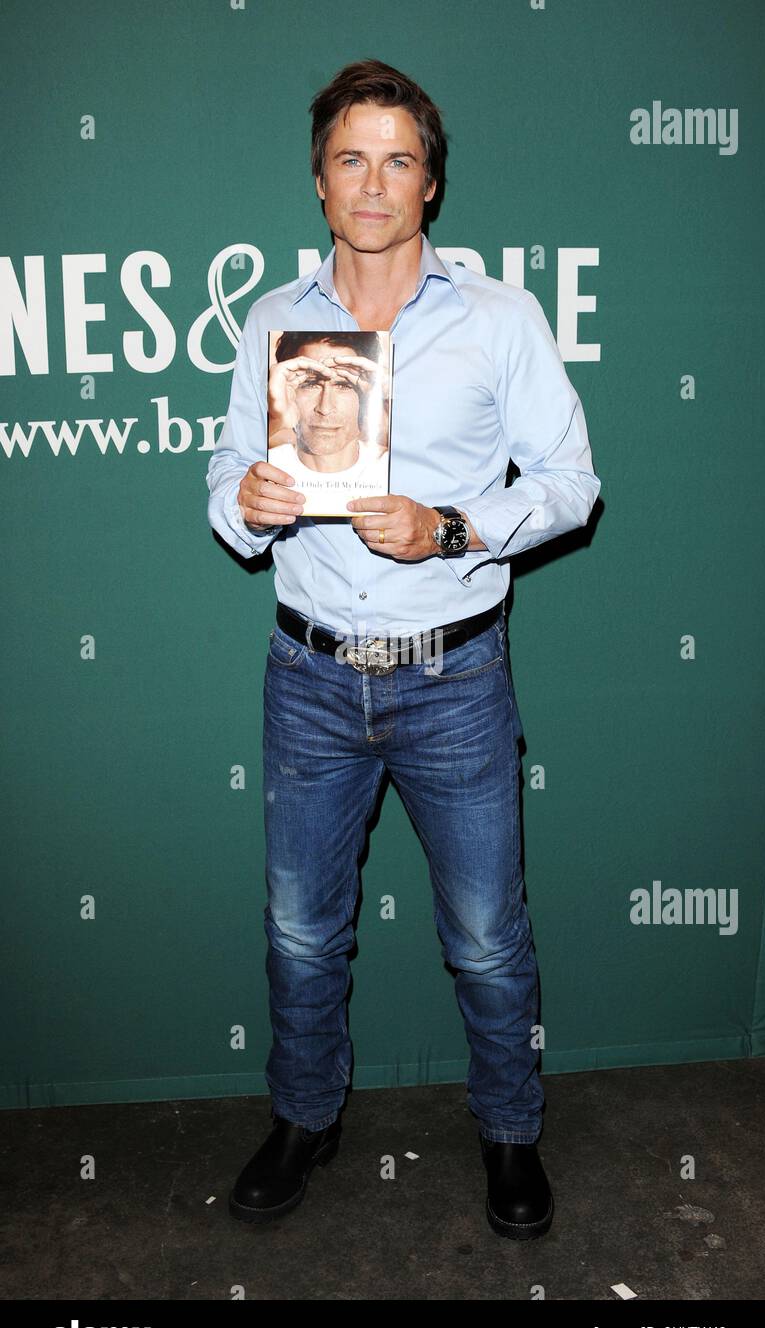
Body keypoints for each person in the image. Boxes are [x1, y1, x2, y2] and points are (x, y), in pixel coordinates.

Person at [206, 57, 601, 1240]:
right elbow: (224, 483)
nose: (373, 183)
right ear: (320, 184)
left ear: (430, 184)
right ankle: (305, 1115)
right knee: (299, 929)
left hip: (457, 677)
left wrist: (457, 528)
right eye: (349, 159)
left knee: (487, 936)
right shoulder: (277, 324)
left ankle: (509, 1130)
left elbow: (575, 484)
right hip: (311, 675)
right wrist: (254, 503)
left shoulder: (500, 320)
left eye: (399, 160)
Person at [267, 331, 390, 513]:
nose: (325, 408)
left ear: (367, 395)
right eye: (310, 384)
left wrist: (388, 398)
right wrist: (276, 418)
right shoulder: (264, 468)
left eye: (344, 385)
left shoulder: (392, 466)